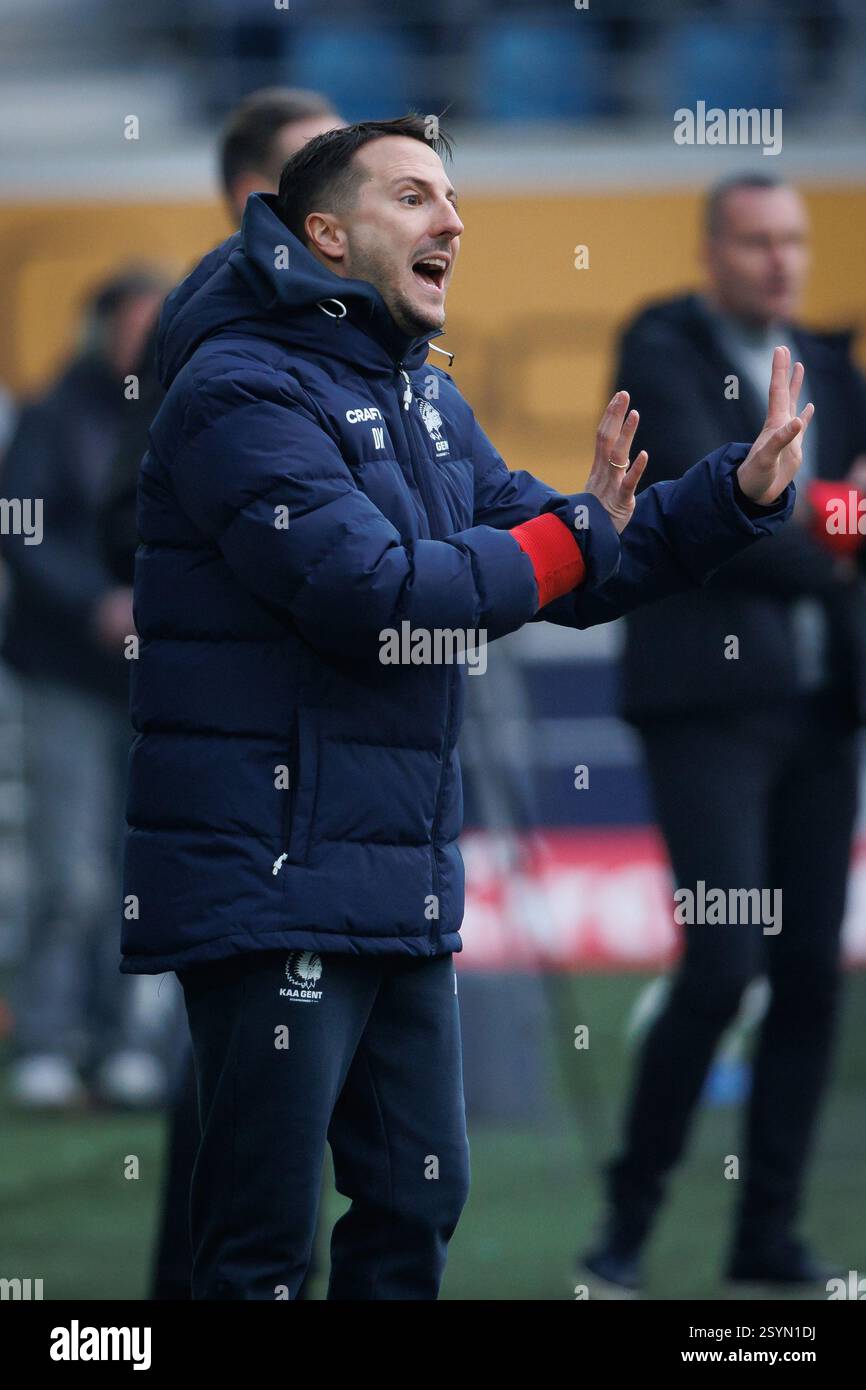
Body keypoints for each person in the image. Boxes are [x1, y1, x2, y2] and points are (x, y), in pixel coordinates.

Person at [120, 116, 810, 1300]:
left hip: (396, 882)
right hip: (274, 882)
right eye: (414, 196)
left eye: (453, 198)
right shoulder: (235, 392)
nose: (452, 220)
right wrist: (568, 534)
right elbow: (374, 597)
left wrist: (726, 498)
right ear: (326, 235)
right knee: (260, 1250)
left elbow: (570, 550)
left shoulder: (421, 397)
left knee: (412, 1211)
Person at [581, 173, 866, 1295]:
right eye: (754, 241)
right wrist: (832, 518)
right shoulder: (657, 345)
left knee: (806, 978)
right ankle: (623, 1230)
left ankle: (766, 1243)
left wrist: (813, 516)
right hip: (705, 710)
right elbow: (733, 524)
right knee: (720, 965)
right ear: (710, 250)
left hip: (818, 710)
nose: (778, 260)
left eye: (791, 240)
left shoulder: (831, 367)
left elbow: (790, 517)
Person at [98, 87, 343, 1299]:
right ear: (258, 194)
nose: (348, 187)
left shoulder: (297, 307)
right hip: (246, 739)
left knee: (248, 1064)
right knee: (257, 1058)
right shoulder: (223, 315)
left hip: (282, 737)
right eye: (321, 167)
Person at [2, 270, 166, 1109]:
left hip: (158, 683)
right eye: (135, 324)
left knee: (141, 867)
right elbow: (21, 530)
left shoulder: (187, 412)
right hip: (68, 674)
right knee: (72, 873)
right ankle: (47, 1041)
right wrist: (94, 604)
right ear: (99, 331)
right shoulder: (53, 416)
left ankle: (125, 1041)